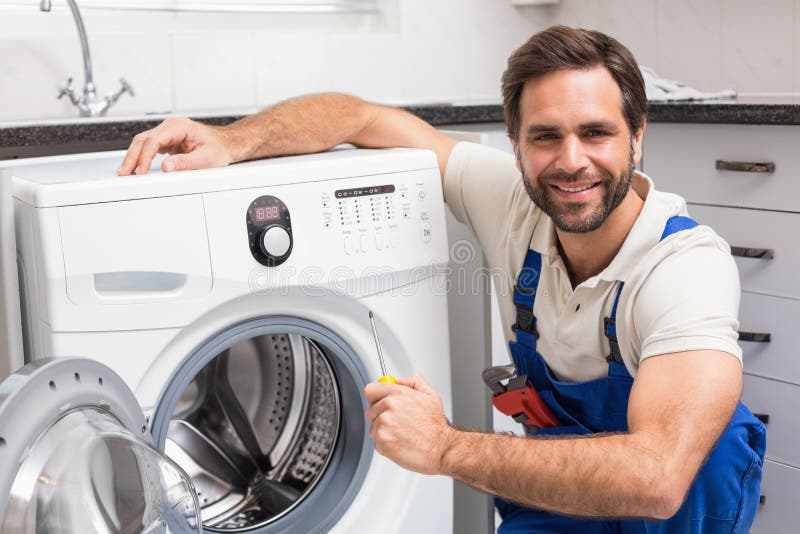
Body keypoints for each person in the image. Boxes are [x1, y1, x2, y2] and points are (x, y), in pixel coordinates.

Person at [119, 26, 765, 533]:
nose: (572, 161)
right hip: (562, 501)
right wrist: (233, 143)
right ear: (515, 146)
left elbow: (656, 477)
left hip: (677, 512)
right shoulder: (510, 201)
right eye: (546, 137)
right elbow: (361, 118)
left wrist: (443, 445)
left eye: (596, 132)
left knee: (704, 449)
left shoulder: (684, 266)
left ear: (637, 138)